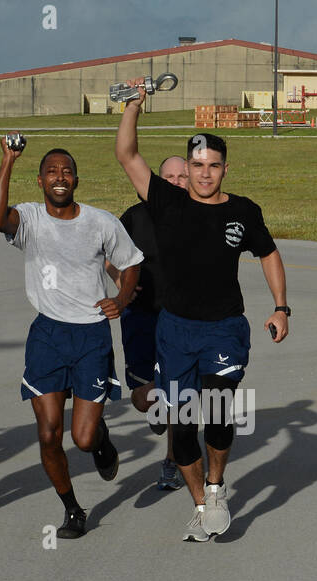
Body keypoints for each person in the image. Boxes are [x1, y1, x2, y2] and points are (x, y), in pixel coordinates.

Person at [116, 80, 290, 541]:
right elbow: (128, 155)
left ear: (225, 169)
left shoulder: (244, 212)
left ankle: (215, 487)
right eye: (196, 165)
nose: (204, 174)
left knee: (216, 410)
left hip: (224, 329)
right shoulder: (165, 201)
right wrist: (133, 106)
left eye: (213, 166)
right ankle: (200, 502)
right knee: (182, 427)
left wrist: (281, 307)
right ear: (187, 169)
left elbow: (268, 254)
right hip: (175, 331)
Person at [0, 140, 142, 539]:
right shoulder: (31, 218)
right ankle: (72, 508)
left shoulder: (101, 221)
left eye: (66, 171)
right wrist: (8, 159)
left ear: (76, 179)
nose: (60, 177)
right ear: (40, 180)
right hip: (48, 334)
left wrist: (121, 299)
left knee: (83, 437)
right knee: (48, 432)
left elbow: (131, 263)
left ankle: (102, 440)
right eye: (52, 172)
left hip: (91, 335)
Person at [106, 155, 188, 491]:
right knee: (143, 399)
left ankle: (172, 460)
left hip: (180, 316)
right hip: (139, 314)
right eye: (169, 176)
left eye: (182, 176)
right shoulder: (135, 217)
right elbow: (108, 254)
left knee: (177, 394)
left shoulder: (196, 215)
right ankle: (158, 411)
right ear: (156, 178)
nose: (176, 182)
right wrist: (121, 282)